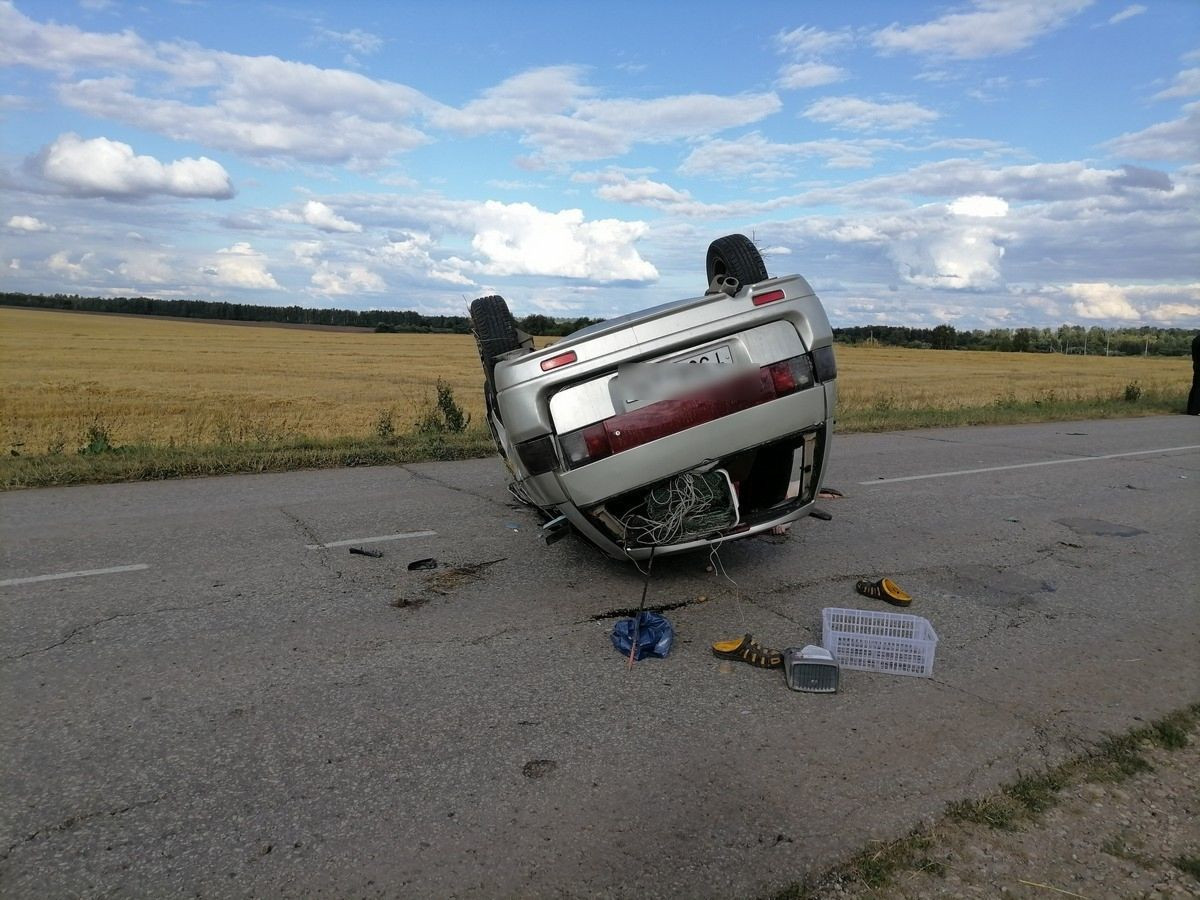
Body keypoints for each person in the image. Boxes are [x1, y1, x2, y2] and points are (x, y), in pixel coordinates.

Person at [1189, 332, 1200, 415]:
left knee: (1196, 386)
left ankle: (1191, 409)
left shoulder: (1196, 339)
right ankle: (1197, 409)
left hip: (1196, 364)